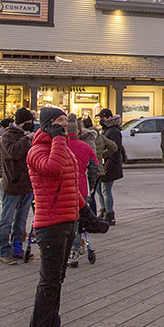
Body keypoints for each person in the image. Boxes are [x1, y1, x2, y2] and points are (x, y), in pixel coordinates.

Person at [24, 106, 92, 327]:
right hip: (50, 223)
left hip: (66, 219)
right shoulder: (37, 150)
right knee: (48, 283)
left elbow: (70, 183)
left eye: (66, 120)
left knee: (56, 281)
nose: (65, 125)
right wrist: (57, 140)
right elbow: (52, 170)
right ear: (48, 125)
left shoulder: (58, 146)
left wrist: (87, 213)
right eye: (59, 121)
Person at [0, 108, 35, 264]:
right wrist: (27, 140)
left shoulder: (24, 137)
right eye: (29, 122)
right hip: (13, 184)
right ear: (22, 122)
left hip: (26, 184)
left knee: (21, 219)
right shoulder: (8, 137)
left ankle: (17, 247)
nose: (32, 125)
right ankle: (5, 251)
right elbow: (14, 153)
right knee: (7, 219)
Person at [66, 114, 97, 267]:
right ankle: (75, 250)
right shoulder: (85, 147)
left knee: (66, 221)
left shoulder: (59, 146)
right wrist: (91, 186)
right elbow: (94, 167)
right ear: (78, 131)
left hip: (63, 189)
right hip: (82, 189)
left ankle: (67, 250)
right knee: (78, 222)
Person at [96, 108, 124, 225]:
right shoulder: (108, 130)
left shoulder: (113, 131)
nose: (100, 120)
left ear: (107, 118)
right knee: (99, 189)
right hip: (106, 163)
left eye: (101, 118)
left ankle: (109, 213)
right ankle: (104, 210)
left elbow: (115, 149)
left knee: (105, 189)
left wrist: (106, 161)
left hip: (110, 164)